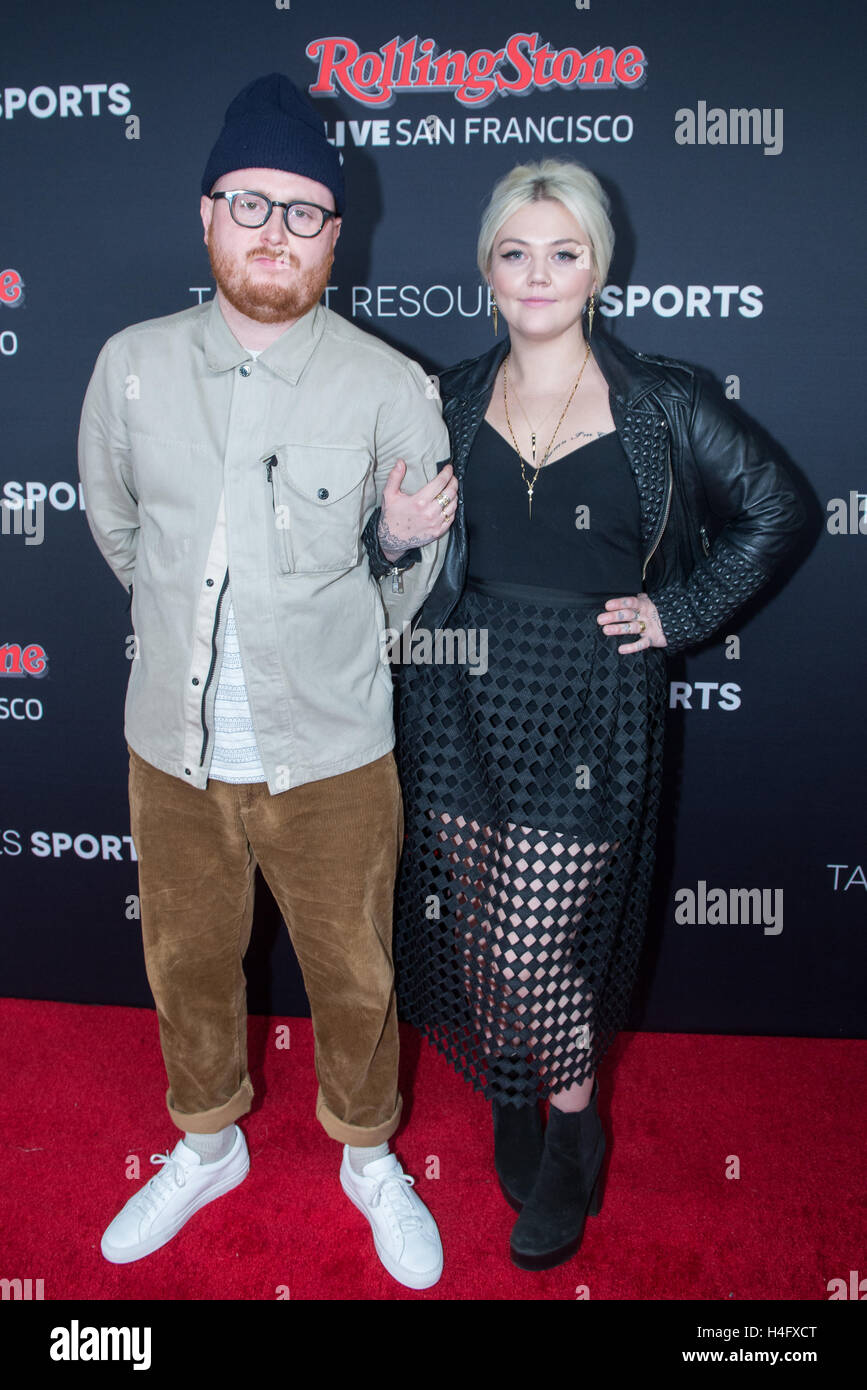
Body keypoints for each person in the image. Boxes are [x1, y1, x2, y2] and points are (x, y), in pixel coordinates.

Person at [365, 159, 805, 1272]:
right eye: (516, 252)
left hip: (588, 702)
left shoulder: (662, 399)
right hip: (456, 694)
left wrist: (682, 610)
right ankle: (518, 1087)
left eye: (563, 252)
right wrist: (397, 535)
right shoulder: (449, 397)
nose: (538, 274)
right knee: (477, 937)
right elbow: (387, 554)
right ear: (487, 271)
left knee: (530, 947)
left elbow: (780, 510)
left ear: (597, 267)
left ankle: (571, 1122)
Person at [77, 72, 459, 1291]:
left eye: (304, 212)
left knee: (356, 970)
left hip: (336, 753)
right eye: (252, 204)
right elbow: (120, 531)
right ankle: (205, 1144)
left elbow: (418, 573)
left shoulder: (394, 386)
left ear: (337, 237)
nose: (275, 232)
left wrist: (393, 543)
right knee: (186, 962)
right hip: (172, 752)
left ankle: (366, 1156)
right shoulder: (130, 366)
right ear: (207, 215)